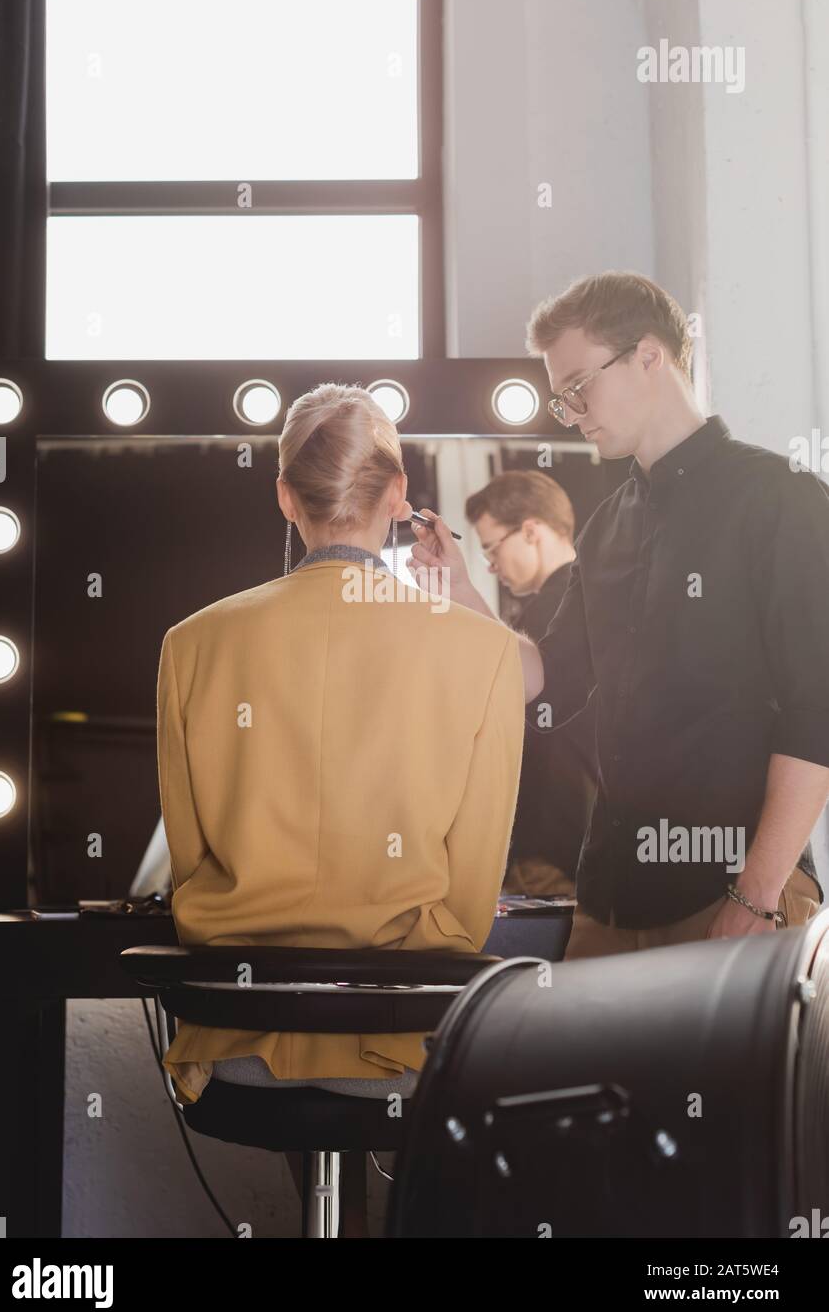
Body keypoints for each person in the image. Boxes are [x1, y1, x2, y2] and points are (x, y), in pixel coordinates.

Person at [409, 271, 828, 961]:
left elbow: (815, 715)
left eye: (578, 385)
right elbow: (544, 678)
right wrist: (456, 589)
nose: (569, 412)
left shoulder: (779, 499)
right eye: (558, 396)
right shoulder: (606, 524)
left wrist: (754, 895)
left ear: (648, 356)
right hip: (606, 895)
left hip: (733, 895)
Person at [156, 384, 525, 1105]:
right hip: (404, 1027)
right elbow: (474, 876)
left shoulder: (192, 642)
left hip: (236, 1028)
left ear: (286, 499)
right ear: (397, 496)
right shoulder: (483, 650)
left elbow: (190, 852)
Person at [465, 471, 597, 898]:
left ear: (530, 530)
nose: (490, 565)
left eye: (491, 548)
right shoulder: (574, 603)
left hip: (553, 851)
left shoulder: (559, 609)